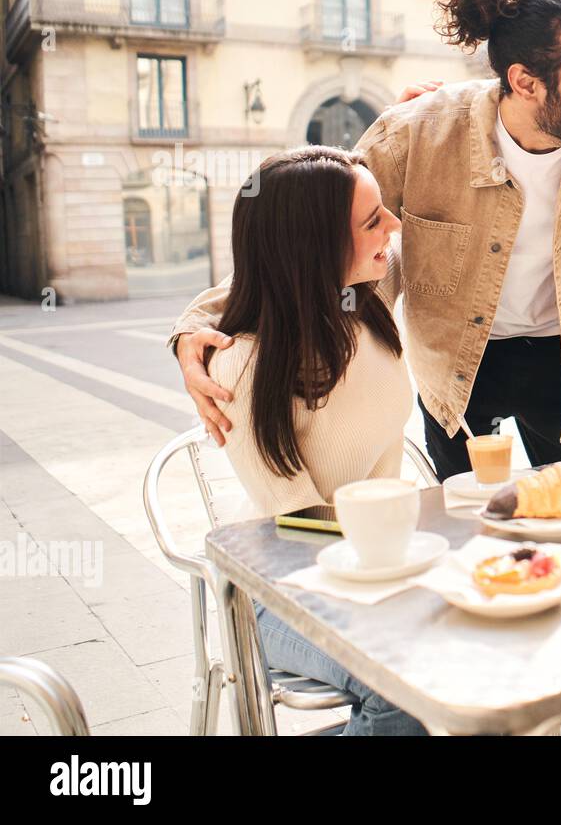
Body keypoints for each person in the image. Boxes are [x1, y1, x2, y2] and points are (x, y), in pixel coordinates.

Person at [171, 0, 561, 481]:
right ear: (525, 81)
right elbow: (308, 231)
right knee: (465, 522)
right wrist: (199, 322)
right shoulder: (417, 132)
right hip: (454, 366)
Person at [202, 146, 424, 735]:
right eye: (374, 220)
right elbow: (299, 525)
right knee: (404, 683)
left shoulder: (367, 298)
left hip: (376, 561)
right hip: (275, 590)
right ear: (314, 244)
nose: (394, 228)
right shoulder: (242, 366)